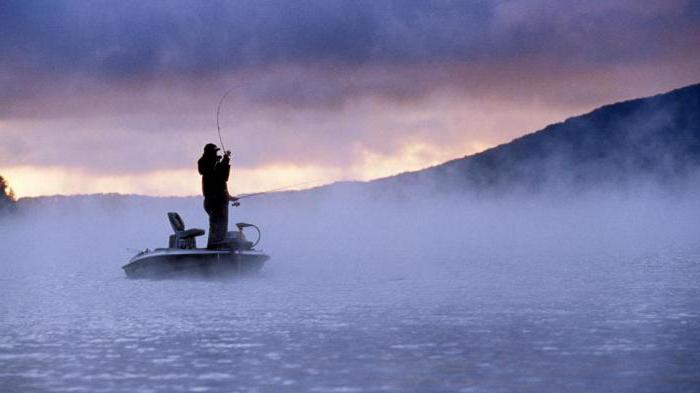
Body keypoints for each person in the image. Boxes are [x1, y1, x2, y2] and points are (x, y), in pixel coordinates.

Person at [198, 143, 238, 249]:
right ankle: (214, 249)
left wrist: (229, 197)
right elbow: (219, 175)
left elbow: (222, 181)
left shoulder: (215, 164)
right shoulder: (206, 163)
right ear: (209, 152)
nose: (216, 153)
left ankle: (218, 248)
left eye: (216, 152)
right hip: (214, 201)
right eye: (215, 152)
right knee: (217, 227)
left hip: (220, 200)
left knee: (222, 227)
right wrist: (223, 160)